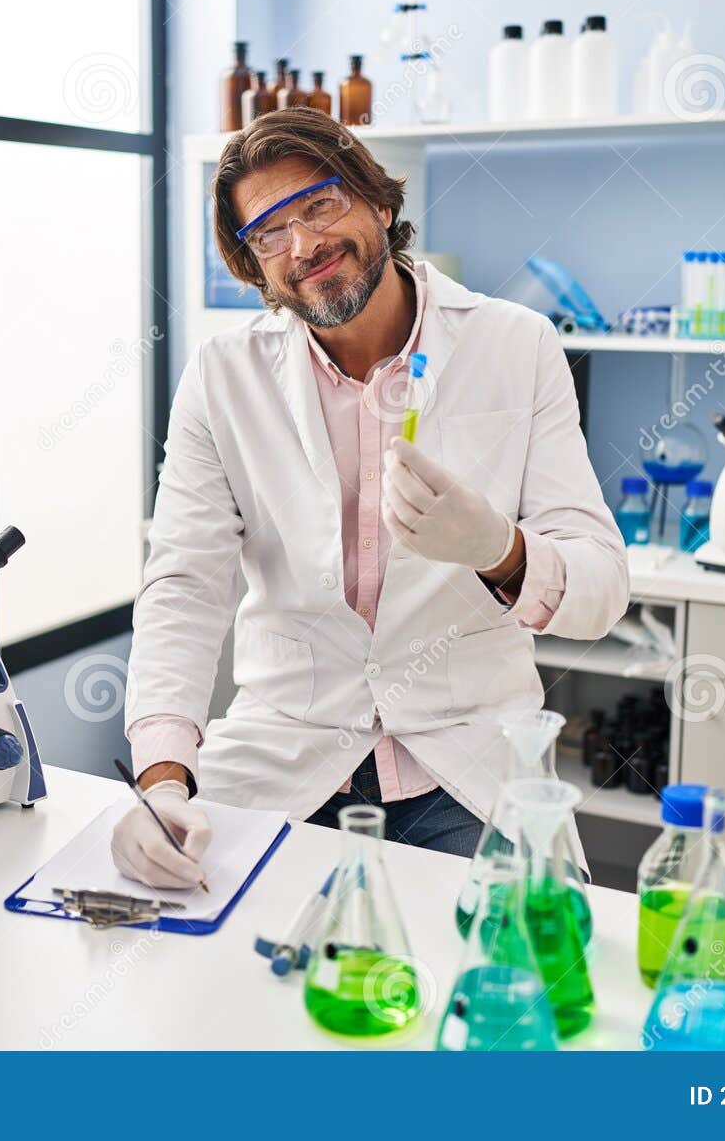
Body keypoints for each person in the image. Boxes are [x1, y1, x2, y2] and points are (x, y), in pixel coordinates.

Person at [110, 107, 628, 890]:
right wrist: (162, 781)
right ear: (254, 268)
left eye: (319, 204)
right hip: (287, 758)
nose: (304, 246)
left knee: (521, 979)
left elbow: (601, 592)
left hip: (464, 761)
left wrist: (501, 549)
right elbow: (184, 586)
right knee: (197, 960)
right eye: (269, 234)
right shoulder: (223, 376)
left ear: (377, 201)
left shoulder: (517, 346)